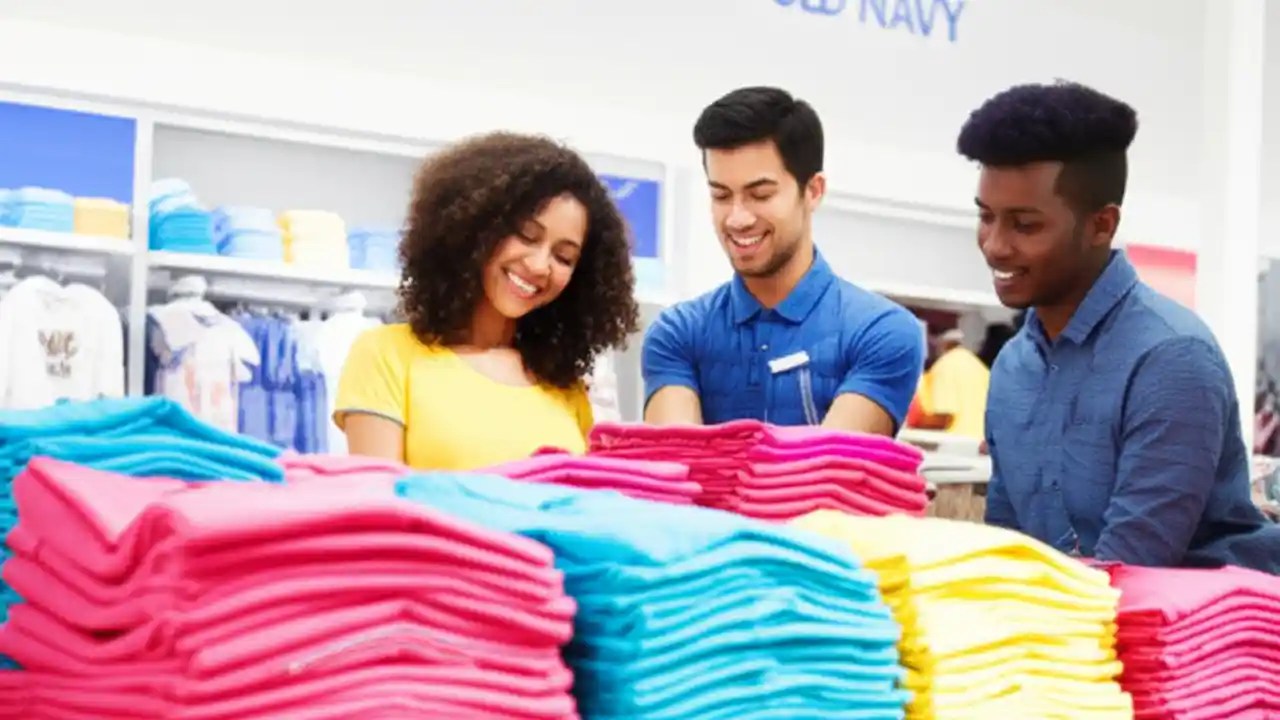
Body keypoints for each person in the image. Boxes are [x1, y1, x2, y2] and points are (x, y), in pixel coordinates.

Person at [960, 80, 1278, 573]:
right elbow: (1010, 553)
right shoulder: (1013, 367)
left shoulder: (1171, 358)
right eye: (986, 218)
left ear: (1102, 225)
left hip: (1188, 634)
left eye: (1025, 225)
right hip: (1072, 626)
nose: (995, 246)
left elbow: (1133, 566)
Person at [334, 132, 640, 470]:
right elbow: (377, 506)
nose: (540, 266)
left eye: (564, 257)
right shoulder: (385, 354)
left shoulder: (566, 387)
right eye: (526, 235)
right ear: (475, 228)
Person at [642, 86, 923, 434]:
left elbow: (830, 477)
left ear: (813, 191)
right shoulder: (679, 333)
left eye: (760, 195)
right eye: (721, 195)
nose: (737, 218)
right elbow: (673, 469)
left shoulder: (880, 332)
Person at [911, 328, 989, 440]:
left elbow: (944, 416)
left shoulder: (944, 366)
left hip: (955, 442)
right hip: (981, 441)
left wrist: (913, 425)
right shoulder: (979, 366)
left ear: (944, 344)